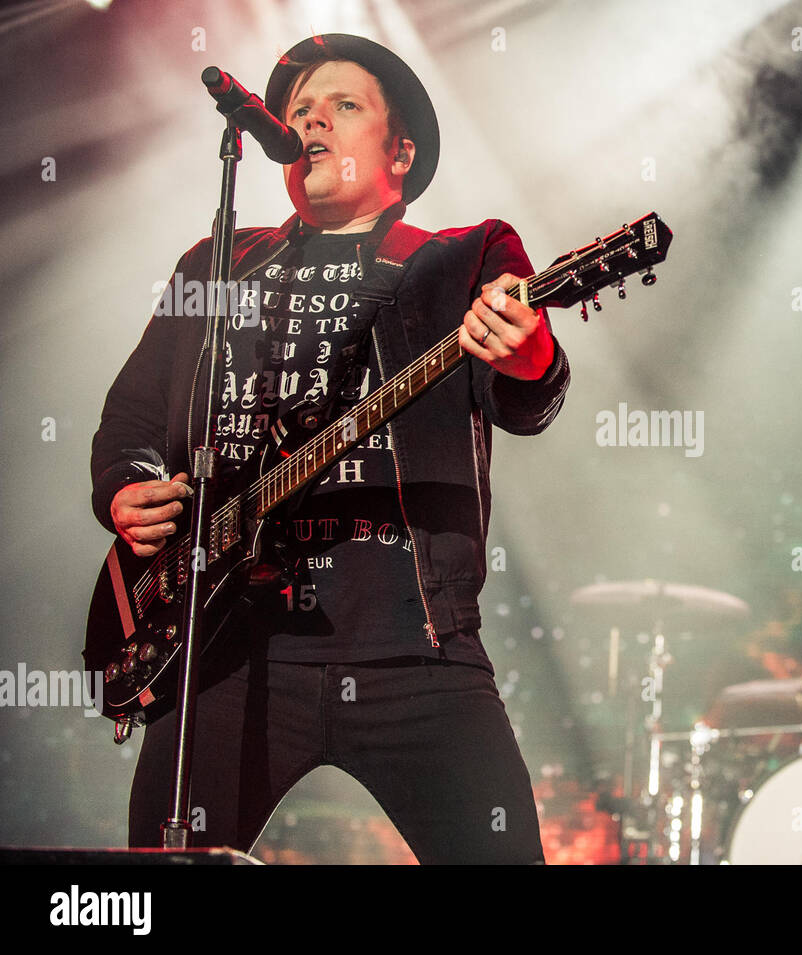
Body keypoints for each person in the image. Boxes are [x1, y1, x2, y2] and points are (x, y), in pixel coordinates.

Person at [89, 34, 569, 863]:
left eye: (343, 105)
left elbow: (527, 399)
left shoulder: (463, 255)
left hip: (416, 650)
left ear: (401, 149)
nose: (312, 119)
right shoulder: (217, 263)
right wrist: (127, 490)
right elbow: (130, 415)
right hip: (225, 651)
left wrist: (529, 350)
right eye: (301, 109)